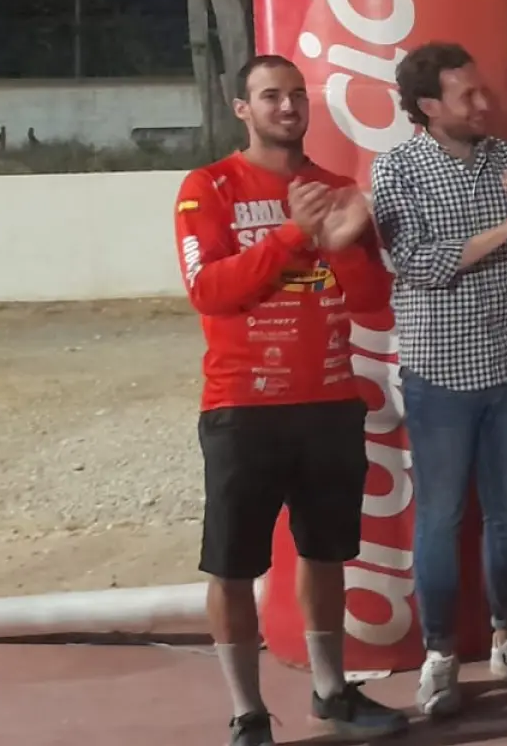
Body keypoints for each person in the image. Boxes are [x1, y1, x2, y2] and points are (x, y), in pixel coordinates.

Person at [174, 55, 408, 746]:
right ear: (242, 109)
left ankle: (332, 691)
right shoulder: (208, 186)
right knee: (232, 565)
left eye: (296, 95)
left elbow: (374, 306)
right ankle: (247, 712)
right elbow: (210, 291)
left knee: (325, 553)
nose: (287, 107)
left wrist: (338, 245)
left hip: (330, 402)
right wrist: (291, 237)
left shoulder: (336, 189)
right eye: (270, 96)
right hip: (241, 406)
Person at [370, 42, 507, 715]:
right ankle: (440, 656)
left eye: (482, 93)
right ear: (428, 108)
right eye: (467, 96)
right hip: (440, 372)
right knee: (443, 516)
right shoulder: (396, 169)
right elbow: (419, 263)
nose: (483, 104)